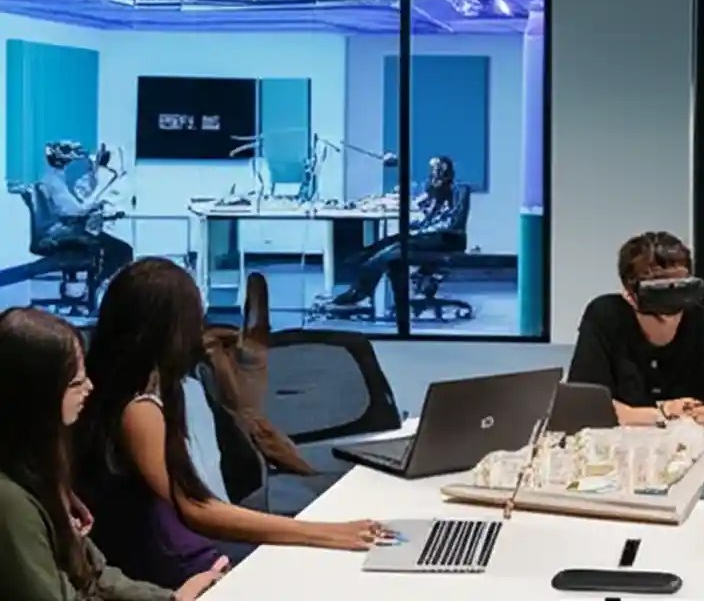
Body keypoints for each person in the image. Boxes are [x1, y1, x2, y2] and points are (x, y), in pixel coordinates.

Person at [75, 257, 391, 589]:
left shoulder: (143, 387)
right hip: (179, 566)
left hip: (184, 548)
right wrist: (324, 532)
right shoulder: (138, 408)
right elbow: (195, 509)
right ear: (169, 330)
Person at [0, 307, 226, 600]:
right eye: (76, 383)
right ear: (38, 393)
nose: (89, 388)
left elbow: (96, 574)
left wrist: (170, 599)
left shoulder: (42, 472)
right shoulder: (11, 502)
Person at [567, 232, 704, 428]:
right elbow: (580, 407)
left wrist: (691, 417)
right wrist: (663, 414)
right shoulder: (605, 318)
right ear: (630, 295)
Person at [325, 155, 467, 308]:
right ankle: (365, 285)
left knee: (388, 253)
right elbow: (423, 210)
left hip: (446, 239)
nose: (435, 174)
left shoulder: (459, 190)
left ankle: (360, 292)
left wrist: (418, 231)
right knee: (379, 246)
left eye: (439, 170)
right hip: (427, 236)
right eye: (433, 171)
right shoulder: (435, 190)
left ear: (448, 172)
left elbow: (451, 223)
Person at [41, 141, 134, 285]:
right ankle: (100, 285)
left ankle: (97, 284)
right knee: (123, 250)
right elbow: (77, 211)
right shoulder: (54, 183)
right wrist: (100, 188)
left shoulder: (52, 179)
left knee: (114, 247)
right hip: (68, 231)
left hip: (66, 228)